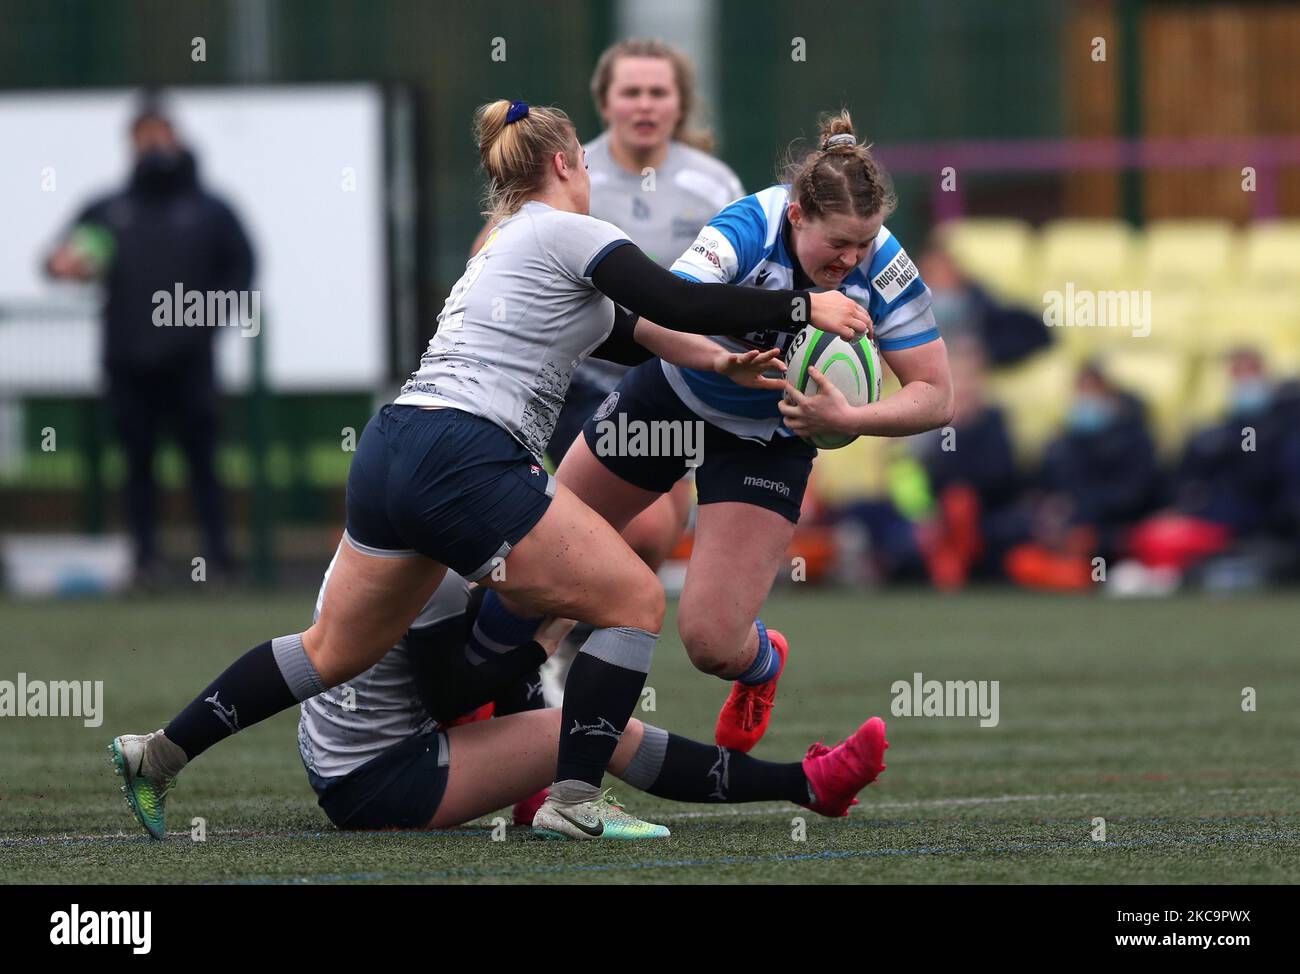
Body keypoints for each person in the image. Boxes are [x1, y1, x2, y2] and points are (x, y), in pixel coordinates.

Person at [108, 99, 870, 842]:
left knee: (330, 650)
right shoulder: (570, 230)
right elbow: (674, 294)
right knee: (635, 597)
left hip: (392, 444)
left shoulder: (506, 245)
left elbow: (645, 332)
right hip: (467, 452)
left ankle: (159, 753)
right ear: (567, 162)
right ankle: (572, 799)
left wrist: (726, 362)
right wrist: (802, 311)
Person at [552, 110, 952, 753]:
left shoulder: (885, 266)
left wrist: (849, 420)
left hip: (767, 439)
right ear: (797, 216)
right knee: (543, 554)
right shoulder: (748, 225)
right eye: (839, 244)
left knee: (711, 642)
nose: (852, 261)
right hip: (672, 399)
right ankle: (502, 706)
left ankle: (762, 663)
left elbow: (937, 396)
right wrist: (719, 358)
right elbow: (654, 320)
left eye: (864, 244)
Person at [296, 556, 888, 834]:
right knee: (582, 731)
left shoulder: (408, 532)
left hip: (380, 753)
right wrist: (544, 641)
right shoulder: (432, 568)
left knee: (572, 709)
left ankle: (807, 784)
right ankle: (807, 785)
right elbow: (448, 696)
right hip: (372, 781)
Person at [46, 98, 254, 586]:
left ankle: (217, 562)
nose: (153, 145)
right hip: (128, 362)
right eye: (143, 136)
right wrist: (62, 266)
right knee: (138, 465)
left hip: (190, 364)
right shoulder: (108, 209)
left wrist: (204, 325)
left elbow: (241, 269)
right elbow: (60, 258)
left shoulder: (210, 210)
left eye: (161, 134)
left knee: (202, 463)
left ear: (176, 137)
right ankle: (144, 562)